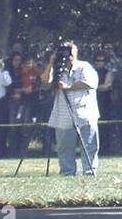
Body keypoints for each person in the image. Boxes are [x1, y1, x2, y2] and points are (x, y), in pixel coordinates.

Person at [41, 41, 100, 176]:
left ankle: (90, 171)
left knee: (89, 145)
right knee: (64, 147)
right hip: (63, 113)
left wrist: (68, 87)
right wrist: (51, 63)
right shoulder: (57, 69)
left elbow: (89, 83)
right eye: (65, 53)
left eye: (70, 52)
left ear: (75, 53)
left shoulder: (84, 67)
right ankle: (67, 172)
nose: (68, 56)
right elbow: (45, 81)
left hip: (85, 112)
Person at [92, 52, 117, 152]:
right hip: (92, 102)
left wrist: (90, 88)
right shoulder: (91, 72)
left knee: (105, 127)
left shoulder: (108, 72)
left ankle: (106, 148)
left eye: (102, 61)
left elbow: (106, 86)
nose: (100, 63)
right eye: (98, 60)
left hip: (105, 102)